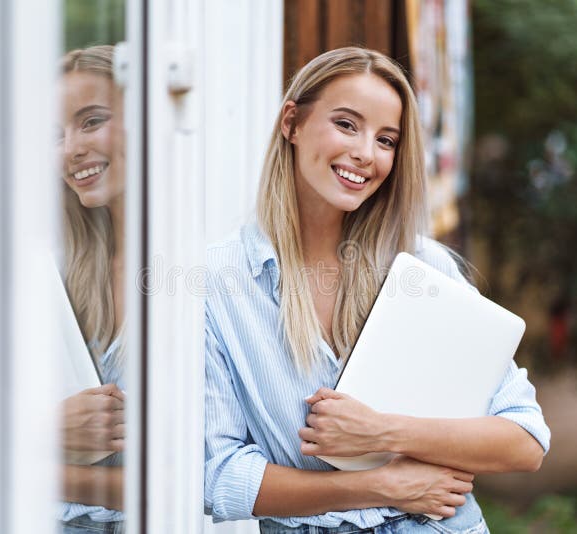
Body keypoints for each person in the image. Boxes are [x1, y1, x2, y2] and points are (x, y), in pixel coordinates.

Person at [204, 47, 550, 533]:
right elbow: (216, 475)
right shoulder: (218, 282)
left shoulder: (423, 268)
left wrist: (383, 431)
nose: (367, 153)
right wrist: (380, 484)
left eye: (386, 140)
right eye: (347, 125)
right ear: (292, 123)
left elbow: (525, 440)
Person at [57, 44, 127, 534]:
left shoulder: (208, 267)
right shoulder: (61, 271)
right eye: (54, 135)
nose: (69, 149)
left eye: (91, 121)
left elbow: (204, 470)